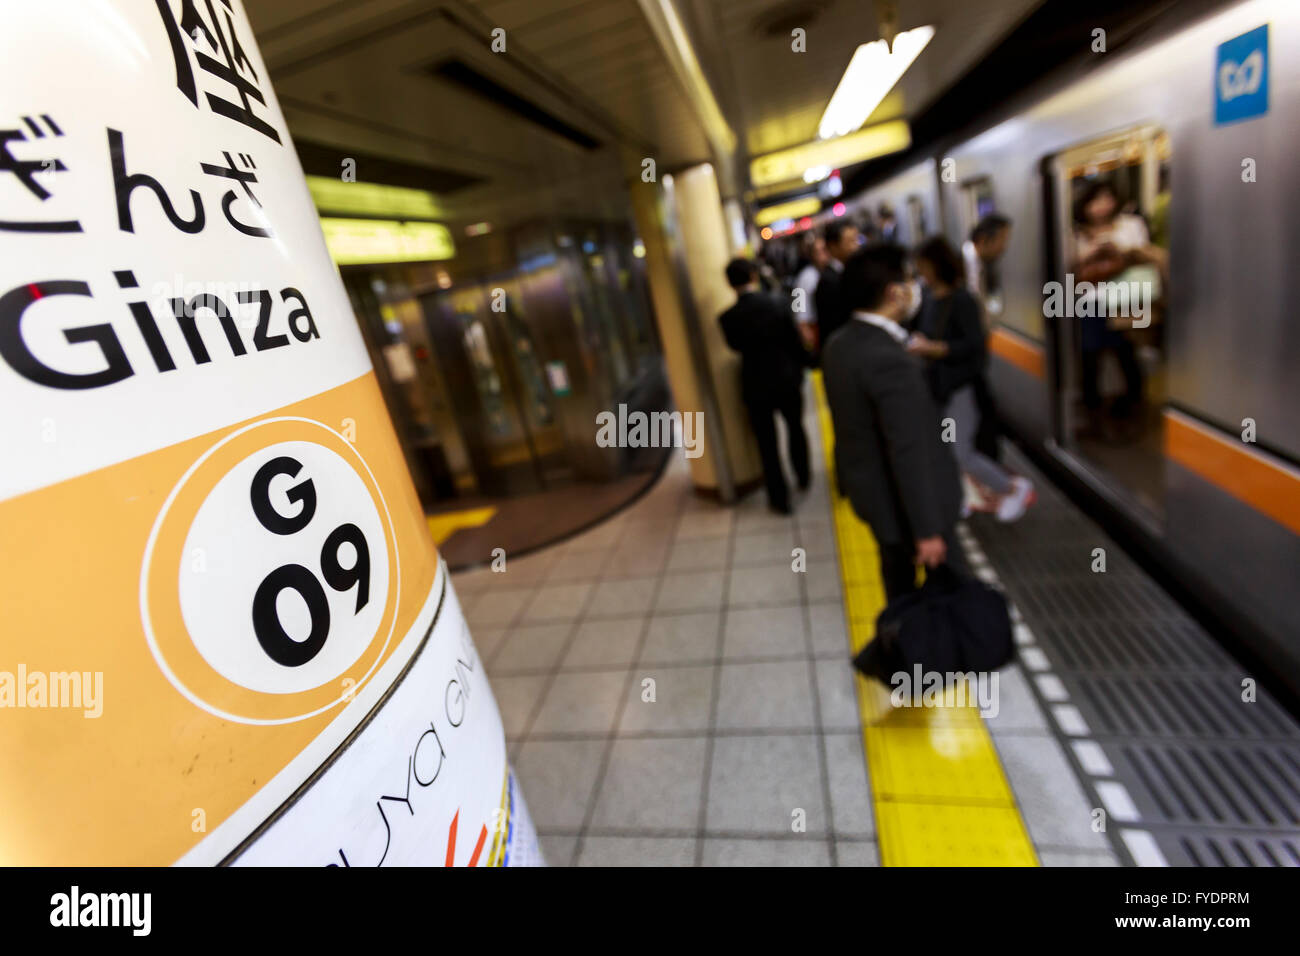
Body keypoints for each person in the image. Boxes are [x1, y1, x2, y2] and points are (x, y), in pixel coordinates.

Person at [821, 243, 969, 602]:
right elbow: (908, 449)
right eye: (908, 280)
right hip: (911, 510)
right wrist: (928, 530)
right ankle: (946, 655)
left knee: (899, 588)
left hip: (875, 503)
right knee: (958, 597)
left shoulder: (839, 344)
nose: (914, 287)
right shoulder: (889, 360)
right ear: (893, 293)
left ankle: (903, 650)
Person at [908, 237, 1034, 522]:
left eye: (923, 267)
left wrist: (934, 348)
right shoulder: (928, 299)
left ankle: (1012, 487)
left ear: (938, 266)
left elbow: (975, 345)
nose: (920, 273)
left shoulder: (962, 300)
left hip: (960, 388)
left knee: (959, 451)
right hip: (939, 387)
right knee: (944, 448)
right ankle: (960, 495)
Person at [1070, 180, 1167, 435]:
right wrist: (1090, 252)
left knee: (1127, 352)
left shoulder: (1130, 225)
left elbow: (1144, 253)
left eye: (1108, 198)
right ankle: (1092, 410)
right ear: (1085, 205)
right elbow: (1069, 265)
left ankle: (1133, 406)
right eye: (1096, 200)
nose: (1103, 205)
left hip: (1127, 298)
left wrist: (1119, 250)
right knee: (1090, 357)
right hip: (1091, 301)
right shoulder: (1077, 232)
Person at [719, 258, 812, 514]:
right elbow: (794, 341)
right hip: (786, 377)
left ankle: (779, 498)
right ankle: (803, 475)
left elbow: (736, 347)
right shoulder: (779, 302)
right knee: (796, 428)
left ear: (729, 283)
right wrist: (805, 365)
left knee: (767, 444)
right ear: (753, 275)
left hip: (755, 384)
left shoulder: (727, 318)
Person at [962, 213, 1012, 463]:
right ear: (983, 240)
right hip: (966, 353)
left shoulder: (981, 267)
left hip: (975, 348)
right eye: (1002, 241)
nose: (1004, 248)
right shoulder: (962, 266)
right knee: (981, 409)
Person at [813, 220, 860, 357]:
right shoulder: (829, 281)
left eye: (856, 240)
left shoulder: (844, 273)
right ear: (833, 247)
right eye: (850, 242)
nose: (855, 246)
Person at [792, 236, 828, 351]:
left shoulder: (833, 270)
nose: (823, 255)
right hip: (815, 327)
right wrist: (804, 329)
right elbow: (797, 307)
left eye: (824, 250)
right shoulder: (804, 277)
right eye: (818, 252)